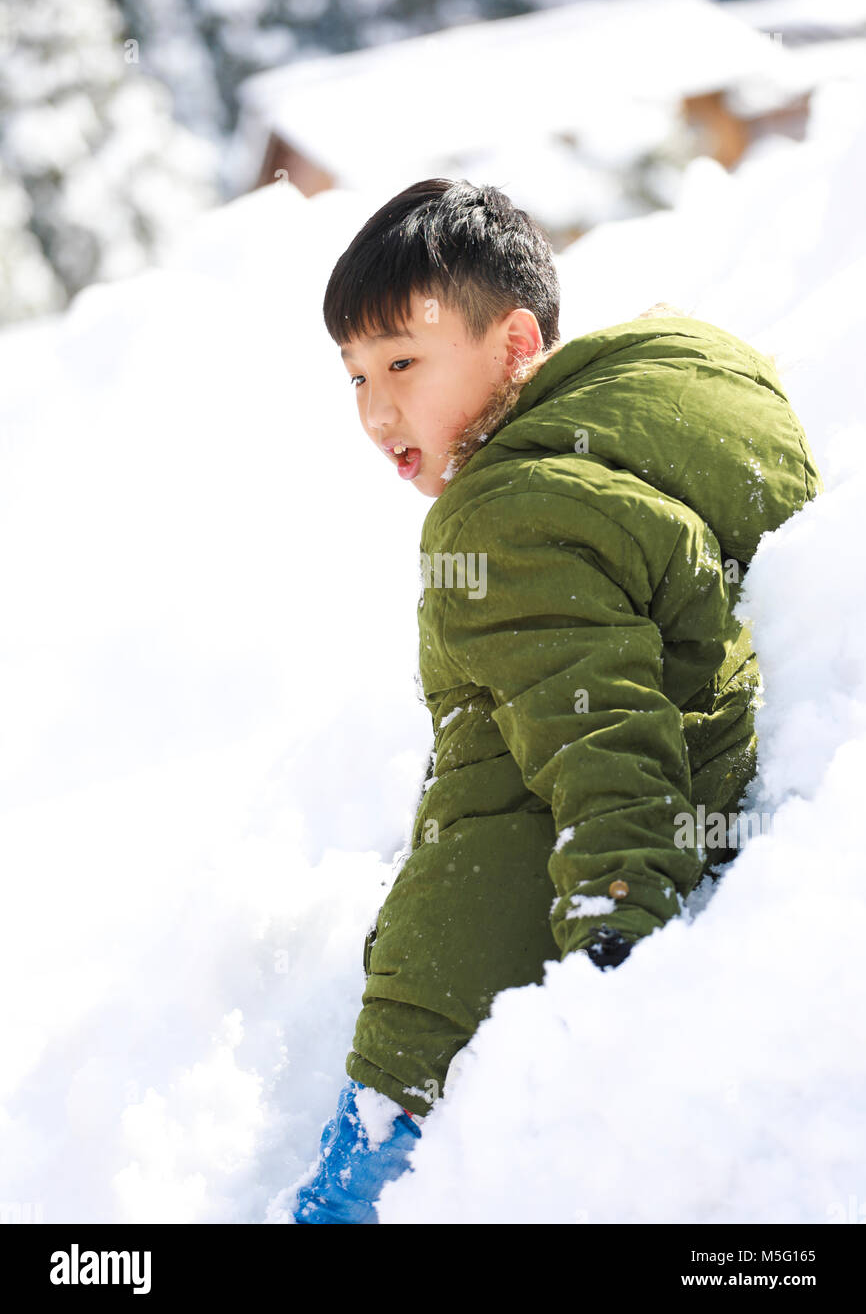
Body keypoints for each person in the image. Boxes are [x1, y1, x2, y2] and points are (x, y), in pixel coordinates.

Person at [292, 177, 823, 1223]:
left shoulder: (504, 515)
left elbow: (602, 733)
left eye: (403, 361)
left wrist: (615, 925)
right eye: (354, 374)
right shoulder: (624, 451)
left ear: (517, 342)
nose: (375, 410)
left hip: (459, 1002)